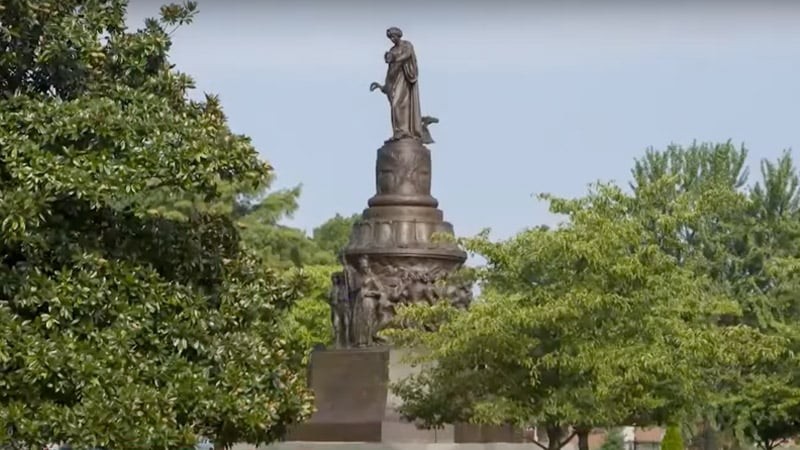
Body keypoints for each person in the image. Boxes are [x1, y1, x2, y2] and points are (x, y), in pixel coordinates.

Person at [370, 27, 423, 142]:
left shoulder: (407, 45)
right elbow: (390, 71)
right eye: (390, 38)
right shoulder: (392, 50)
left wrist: (394, 58)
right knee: (395, 106)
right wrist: (382, 86)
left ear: (398, 35)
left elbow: (407, 55)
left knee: (397, 104)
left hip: (404, 79)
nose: (392, 39)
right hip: (394, 80)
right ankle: (398, 131)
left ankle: (404, 131)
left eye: (393, 36)